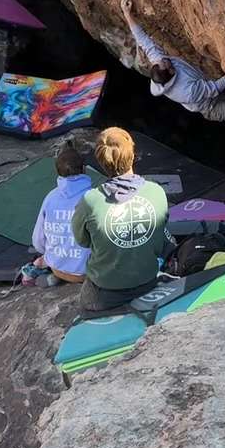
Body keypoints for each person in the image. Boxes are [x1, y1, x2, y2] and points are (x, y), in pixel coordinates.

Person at [72, 127, 169, 314]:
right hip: (147, 283)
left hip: (105, 293)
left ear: (101, 162)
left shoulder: (90, 201)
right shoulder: (156, 192)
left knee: (84, 303)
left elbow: (82, 241)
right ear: (132, 155)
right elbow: (160, 237)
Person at [121, 0, 225, 122]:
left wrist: (127, 14)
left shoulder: (159, 64)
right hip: (213, 106)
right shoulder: (185, 91)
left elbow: (143, 40)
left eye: (160, 61)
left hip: (214, 86)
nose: (163, 59)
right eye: (165, 63)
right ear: (171, 72)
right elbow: (213, 88)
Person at [23, 140, 93, 287]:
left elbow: (38, 241)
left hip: (57, 267)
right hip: (88, 271)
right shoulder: (93, 197)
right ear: (84, 169)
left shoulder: (50, 197)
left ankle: (48, 275)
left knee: (44, 257)